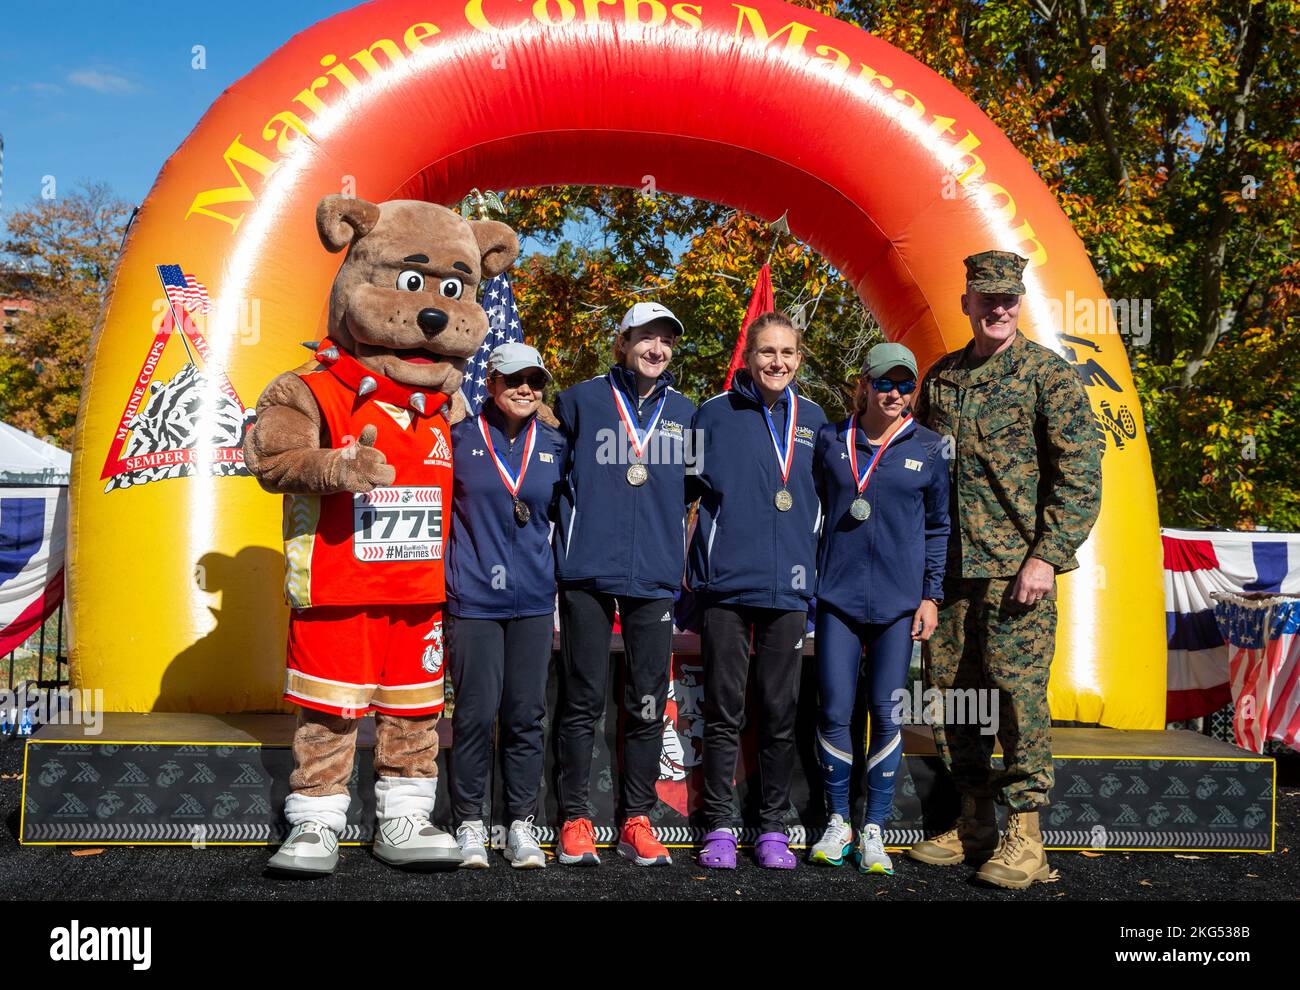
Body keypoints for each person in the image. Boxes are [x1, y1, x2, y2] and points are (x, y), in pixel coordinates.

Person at [907, 250, 1102, 889]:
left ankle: (1027, 834)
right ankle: (972, 820)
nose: (998, 308)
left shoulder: (1049, 376)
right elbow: (922, 474)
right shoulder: (939, 380)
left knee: (1017, 699)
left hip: (1018, 571)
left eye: (1008, 298)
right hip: (951, 574)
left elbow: (1080, 477)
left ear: (1018, 301)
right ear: (966, 302)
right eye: (986, 297)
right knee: (954, 696)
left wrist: (1047, 556)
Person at [552, 302, 697, 866]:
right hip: (587, 571)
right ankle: (575, 818)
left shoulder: (687, 414)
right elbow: (548, 472)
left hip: (654, 577)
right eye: (645, 338)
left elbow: (695, 491)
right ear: (623, 342)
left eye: (665, 340)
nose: (656, 348)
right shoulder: (579, 402)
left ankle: (636, 818)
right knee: (582, 701)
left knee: (644, 702)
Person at [687, 312, 827, 870]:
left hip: (789, 592)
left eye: (787, 353)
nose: (777, 363)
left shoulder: (816, 420)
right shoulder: (713, 415)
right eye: (767, 352)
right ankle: (718, 826)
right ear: (749, 357)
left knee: (779, 712)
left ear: (799, 358)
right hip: (726, 588)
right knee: (724, 712)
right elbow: (679, 495)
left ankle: (772, 827)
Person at [808, 343, 950, 874]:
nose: (894, 394)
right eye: (885, 383)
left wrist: (930, 596)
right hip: (837, 600)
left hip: (897, 605)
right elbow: (806, 507)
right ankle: (838, 822)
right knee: (833, 708)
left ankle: (875, 830)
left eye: (905, 385)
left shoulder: (931, 448)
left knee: (887, 713)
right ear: (863, 385)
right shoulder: (829, 440)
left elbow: (938, 526)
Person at [445, 343, 566, 869]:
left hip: (535, 601)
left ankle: (521, 824)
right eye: (515, 379)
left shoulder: (557, 444)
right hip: (473, 599)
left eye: (535, 381)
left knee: (525, 715)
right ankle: (469, 822)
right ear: (490, 382)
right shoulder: (459, 439)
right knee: (473, 714)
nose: (526, 389)